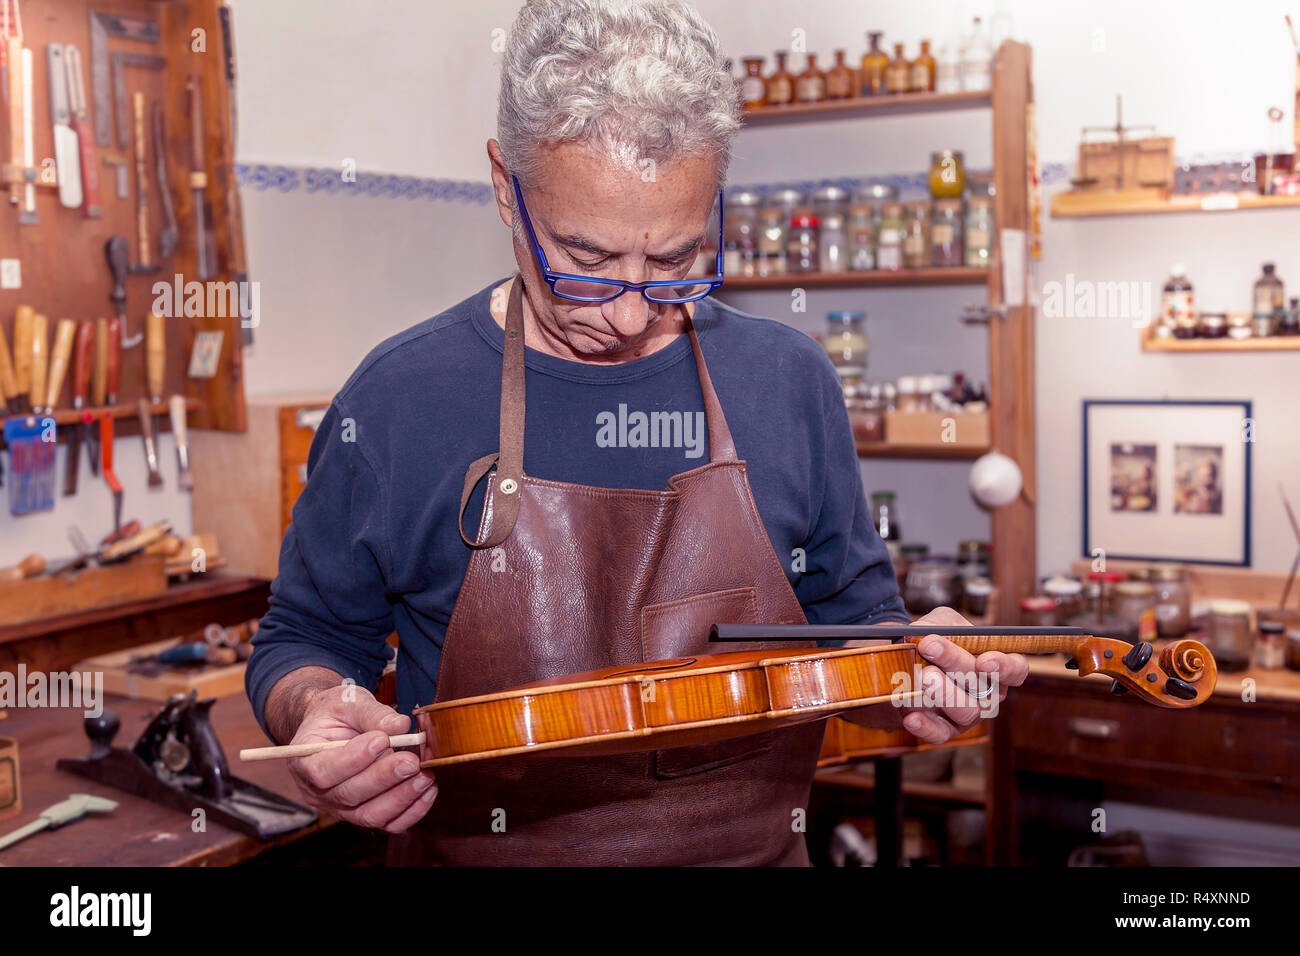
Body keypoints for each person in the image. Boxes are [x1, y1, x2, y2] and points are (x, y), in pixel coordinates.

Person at [245, 0, 1028, 866]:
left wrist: (919, 673)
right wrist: (313, 712)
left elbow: (853, 630)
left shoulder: (787, 380)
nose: (625, 313)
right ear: (507, 186)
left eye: (673, 261)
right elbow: (305, 639)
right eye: (584, 261)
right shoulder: (399, 399)